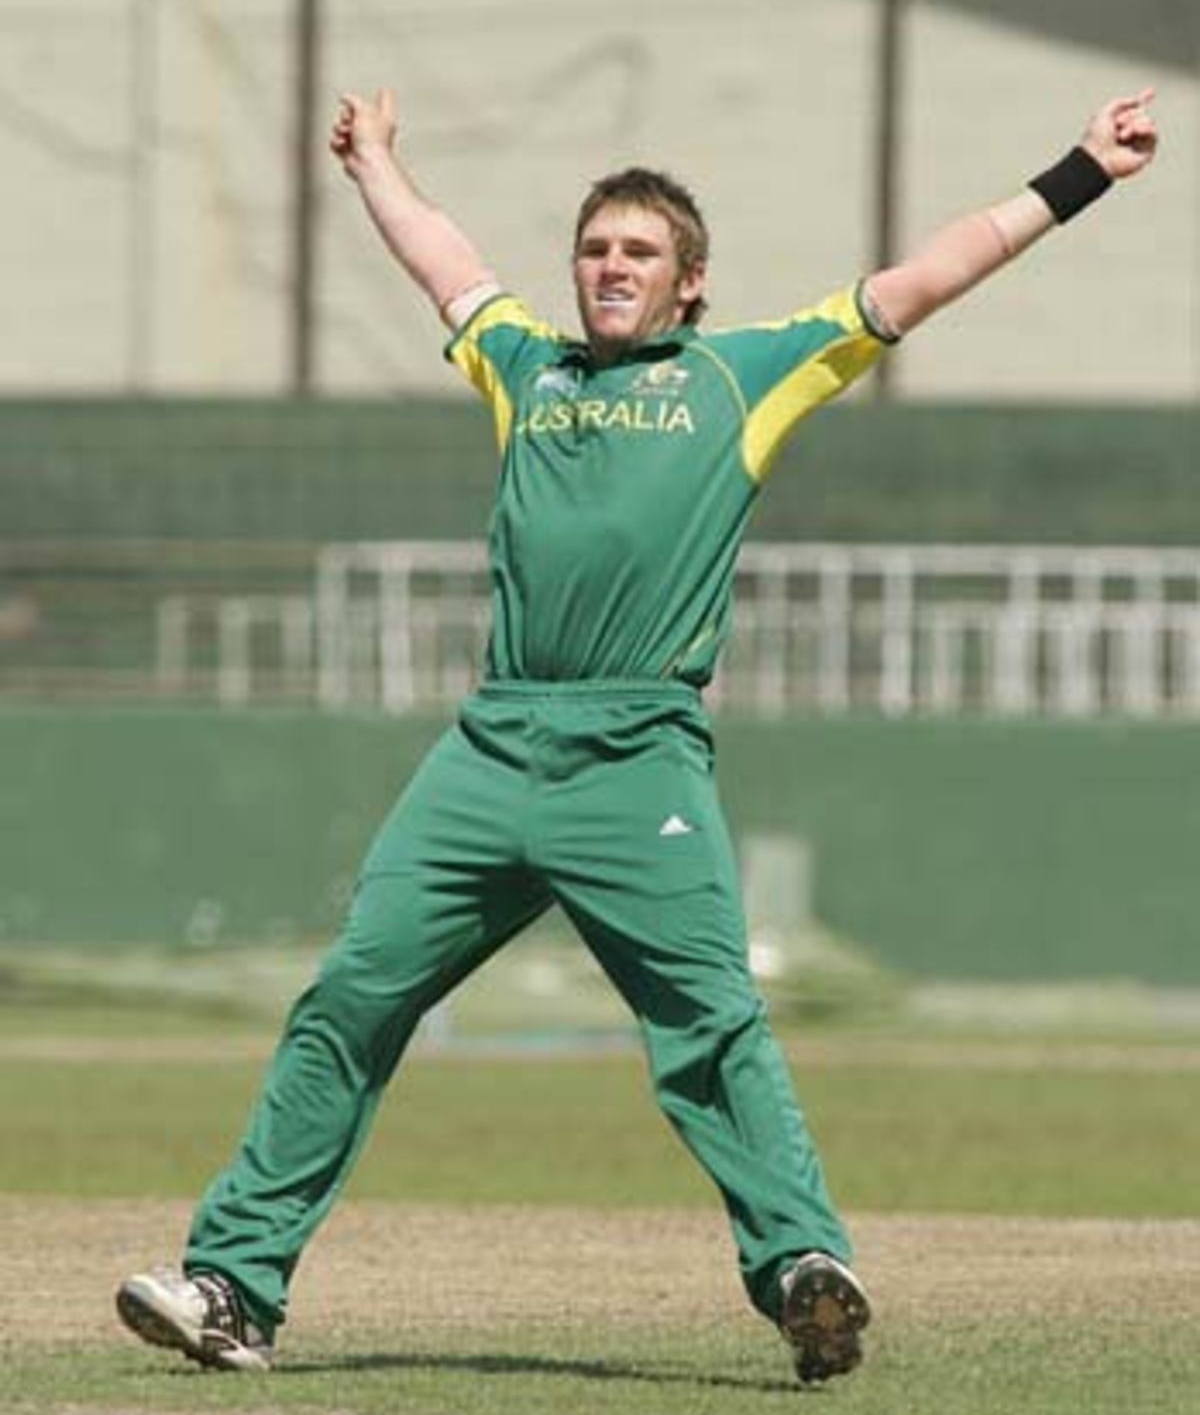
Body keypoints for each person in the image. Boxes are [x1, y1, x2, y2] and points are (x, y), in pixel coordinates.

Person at [115, 84, 1158, 1385]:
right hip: (492, 749)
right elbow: (445, 257)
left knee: (710, 1021)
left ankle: (802, 1272)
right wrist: (377, 162)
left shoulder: (744, 373)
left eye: (640, 252)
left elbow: (926, 275)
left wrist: (1080, 172)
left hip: (637, 753)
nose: (612, 267)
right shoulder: (524, 365)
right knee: (348, 1001)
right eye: (596, 249)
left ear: (689, 283)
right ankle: (232, 1287)